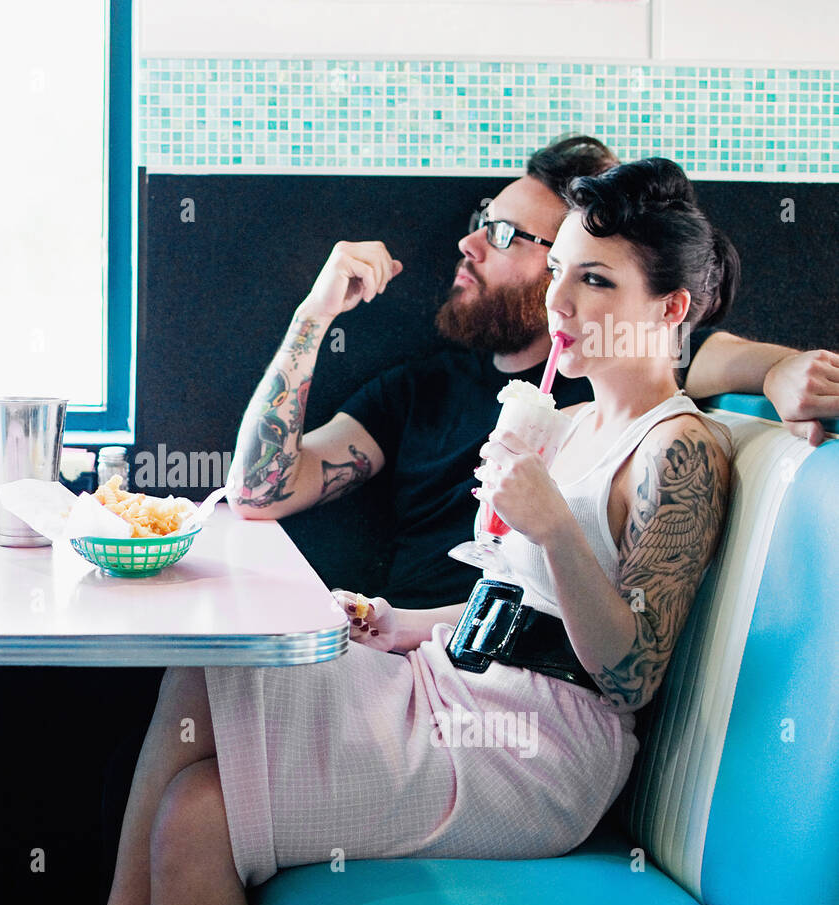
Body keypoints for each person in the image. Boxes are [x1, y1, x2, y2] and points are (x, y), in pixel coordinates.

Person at [96, 155, 737, 905]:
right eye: (560, 272)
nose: (560, 300)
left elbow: (630, 674)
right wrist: (407, 622)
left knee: (196, 813)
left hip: (539, 750)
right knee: (211, 661)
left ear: (670, 305)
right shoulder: (568, 428)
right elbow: (518, 607)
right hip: (456, 685)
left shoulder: (679, 449)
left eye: (594, 281)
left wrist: (554, 527)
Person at [226, 135, 839, 612]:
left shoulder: (613, 371)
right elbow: (259, 493)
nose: (469, 244)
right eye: (481, 222)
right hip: (401, 643)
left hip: (505, 677)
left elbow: (711, 348)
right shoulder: (417, 390)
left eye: (502, 234)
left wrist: (784, 370)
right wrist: (313, 316)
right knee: (202, 672)